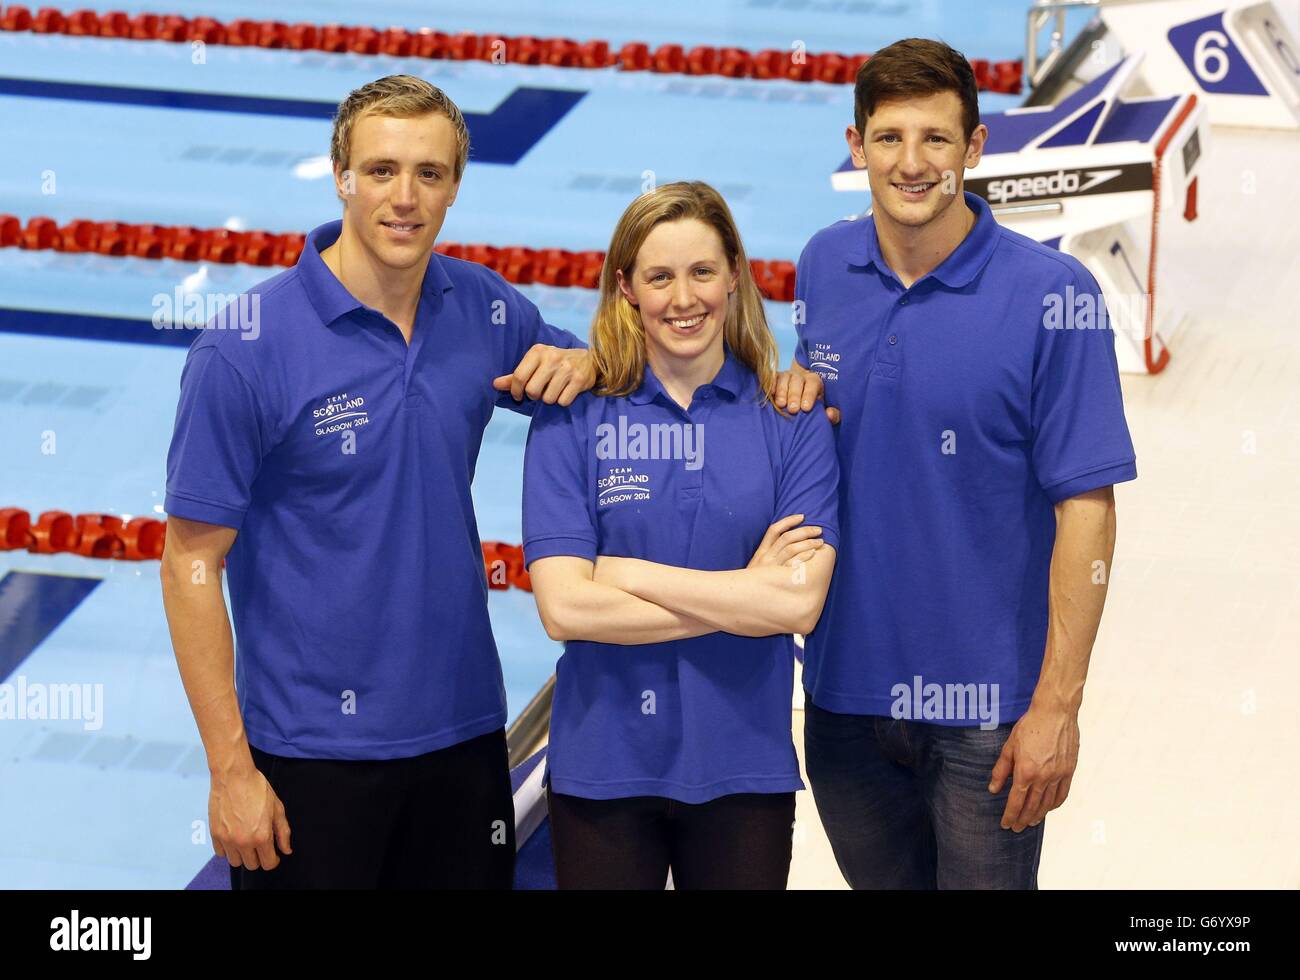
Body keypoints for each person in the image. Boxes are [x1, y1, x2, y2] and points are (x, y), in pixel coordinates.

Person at [160, 75, 596, 889]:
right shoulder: (247, 348)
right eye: (383, 170)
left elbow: (588, 375)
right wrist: (229, 770)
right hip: (309, 755)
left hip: (463, 735)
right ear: (342, 175)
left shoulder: (482, 308)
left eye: (429, 173)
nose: (406, 197)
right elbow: (190, 563)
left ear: (456, 185)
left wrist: (589, 358)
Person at [776, 38, 1136, 889]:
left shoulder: (1054, 294)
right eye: (890, 138)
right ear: (856, 144)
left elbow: (1087, 510)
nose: (912, 163)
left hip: (988, 711)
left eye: (936, 139)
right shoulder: (825, 265)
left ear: (974, 149)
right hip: (842, 693)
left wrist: (1057, 705)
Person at [522, 182, 840, 889]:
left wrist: (623, 572)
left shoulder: (793, 420)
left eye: (701, 272)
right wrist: (742, 594)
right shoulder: (572, 419)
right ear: (626, 288)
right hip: (603, 770)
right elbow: (565, 610)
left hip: (743, 770)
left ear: (734, 273)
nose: (683, 298)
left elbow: (797, 606)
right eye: (659, 277)